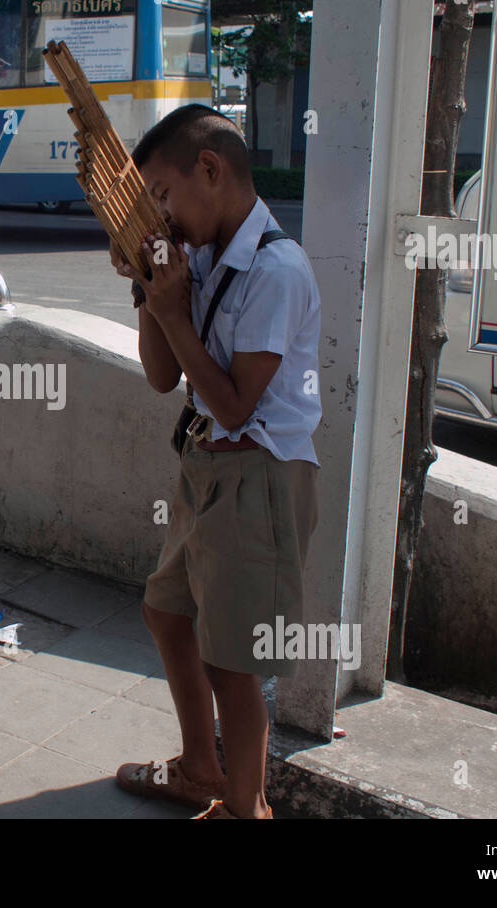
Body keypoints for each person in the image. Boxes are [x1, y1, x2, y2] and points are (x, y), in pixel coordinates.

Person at [110, 105, 321, 819]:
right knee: (167, 613)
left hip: (258, 475)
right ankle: (200, 768)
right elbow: (162, 377)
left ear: (211, 169)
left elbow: (235, 405)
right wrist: (148, 288)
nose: (162, 215)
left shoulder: (276, 269)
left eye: (163, 195)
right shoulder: (197, 259)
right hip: (205, 463)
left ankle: (244, 807)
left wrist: (173, 308)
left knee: (233, 662)